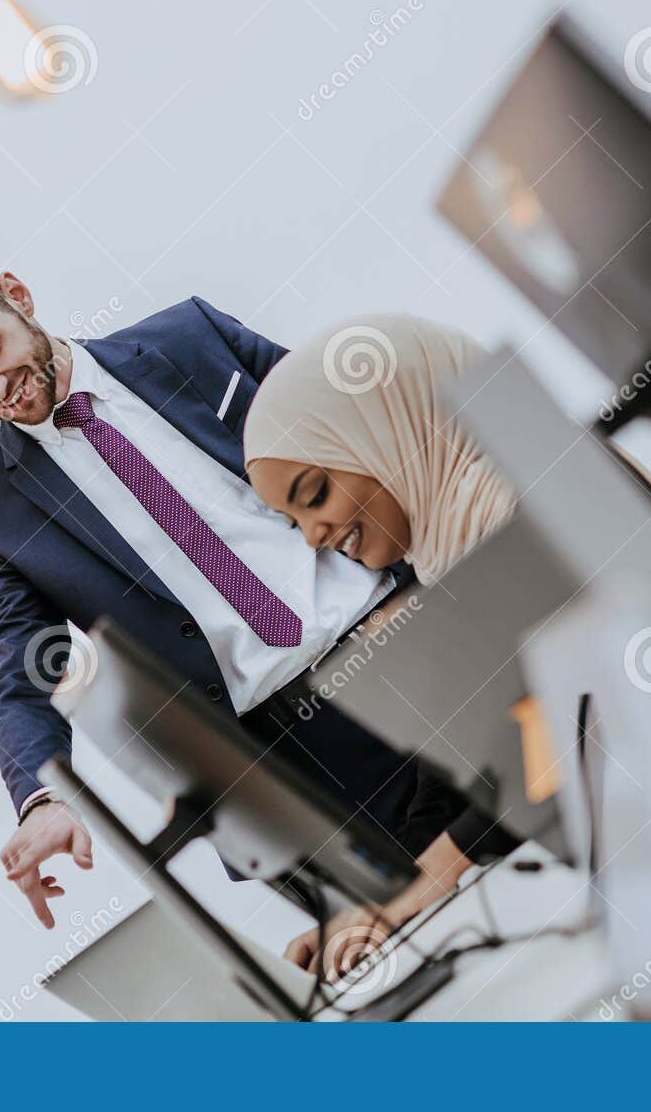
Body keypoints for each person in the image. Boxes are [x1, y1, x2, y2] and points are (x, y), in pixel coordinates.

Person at [0, 247, 512, 969]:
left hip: (410, 646)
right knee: (432, 972)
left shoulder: (189, 337)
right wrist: (41, 799)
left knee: (547, 842)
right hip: (298, 768)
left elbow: (357, 423)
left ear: (17, 294)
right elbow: (20, 676)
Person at [243, 312, 525, 971]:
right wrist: (364, 903)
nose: (313, 535)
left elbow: (561, 740)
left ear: (387, 434)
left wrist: (422, 890)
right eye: (293, 520)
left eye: (315, 494)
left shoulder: (505, 510)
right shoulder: (443, 551)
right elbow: (457, 776)